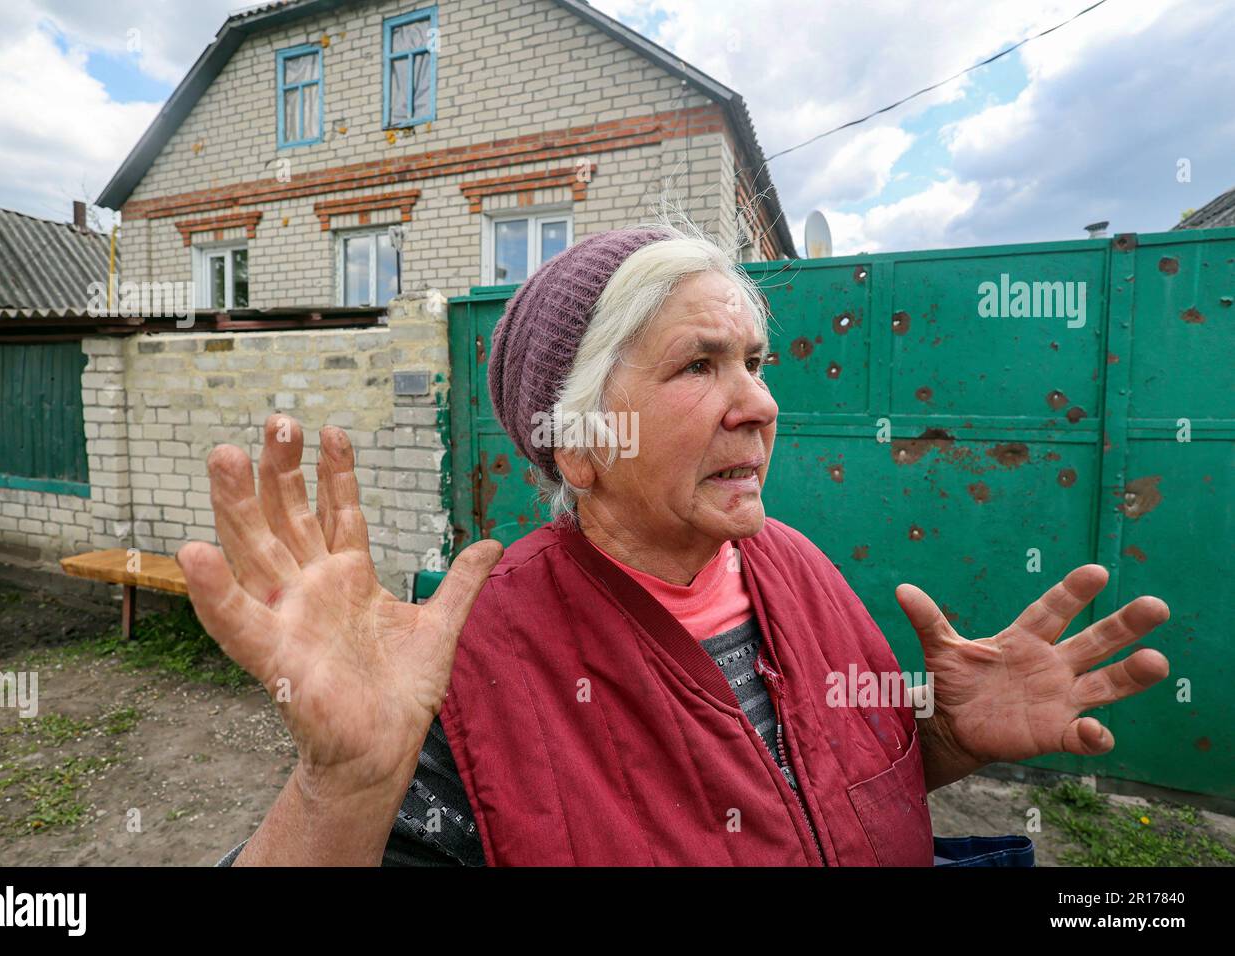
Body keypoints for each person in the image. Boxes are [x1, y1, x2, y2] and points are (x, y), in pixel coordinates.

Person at [182, 218, 1170, 867]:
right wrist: (345, 786)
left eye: (754, 360)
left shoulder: (797, 566)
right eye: (699, 363)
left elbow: (816, 794)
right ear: (577, 444)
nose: (760, 403)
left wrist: (947, 739)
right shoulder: (468, 670)